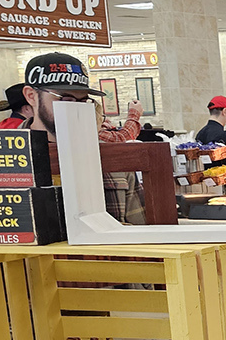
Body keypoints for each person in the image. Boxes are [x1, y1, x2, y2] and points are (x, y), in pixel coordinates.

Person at [20, 52, 145, 224]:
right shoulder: (1, 158)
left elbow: (139, 228)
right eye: (66, 99)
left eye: (83, 101)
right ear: (31, 96)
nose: (76, 109)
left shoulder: (111, 157)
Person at [196, 96, 226, 175]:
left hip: (205, 180)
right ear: (224, 111)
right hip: (222, 181)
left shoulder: (200, 134)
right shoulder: (223, 135)